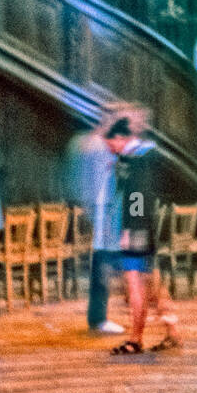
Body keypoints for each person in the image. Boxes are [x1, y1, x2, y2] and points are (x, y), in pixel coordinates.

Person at [107, 114, 180, 355]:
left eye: (112, 143)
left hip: (137, 229)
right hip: (148, 227)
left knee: (135, 286)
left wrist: (129, 230)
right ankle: (173, 332)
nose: (111, 148)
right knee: (153, 283)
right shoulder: (146, 157)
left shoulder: (136, 161)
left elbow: (137, 198)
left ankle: (135, 339)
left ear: (120, 138)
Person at [68, 106, 139, 335]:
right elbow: (101, 186)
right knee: (103, 265)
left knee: (106, 263)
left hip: (98, 212)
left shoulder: (84, 143)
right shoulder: (98, 147)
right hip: (103, 214)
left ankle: (103, 315)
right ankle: (99, 318)